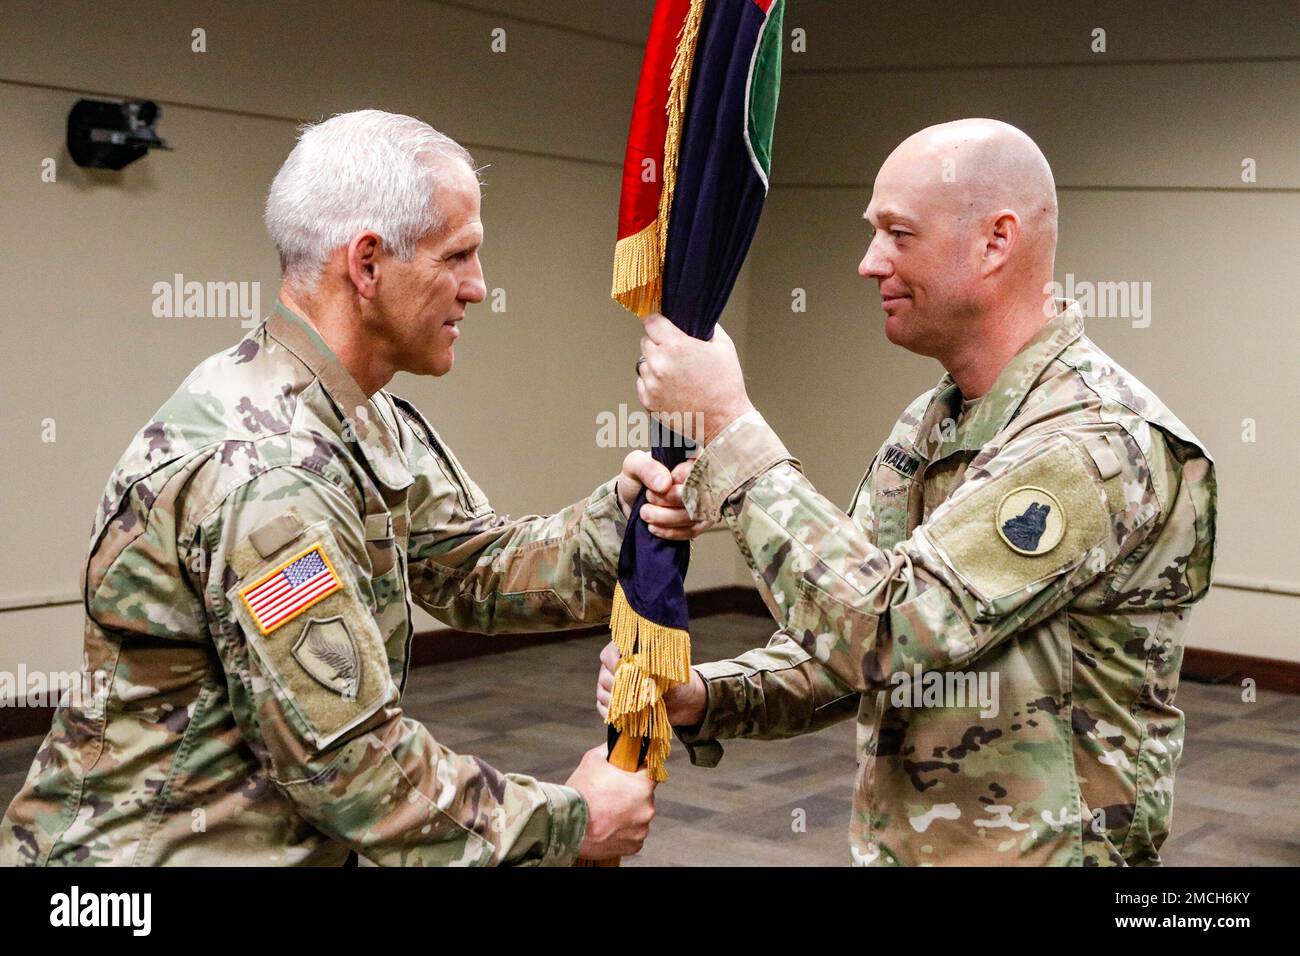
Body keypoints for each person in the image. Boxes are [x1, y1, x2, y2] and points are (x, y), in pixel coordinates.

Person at [2, 109, 704, 867]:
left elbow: (476, 569)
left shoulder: (360, 418)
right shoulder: (269, 475)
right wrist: (573, 822)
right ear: (367, 264)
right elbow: (354, 771)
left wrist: (626, 520)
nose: (478, 287)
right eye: (458, 256)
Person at [603, 118, 1218, 865]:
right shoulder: (934, 421)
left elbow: (888, 632)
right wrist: (705, 697)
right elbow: (842, 638)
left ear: (996, 241)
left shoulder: (1093, 443)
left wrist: (733, 432)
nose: (869, 263)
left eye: (897, 234)